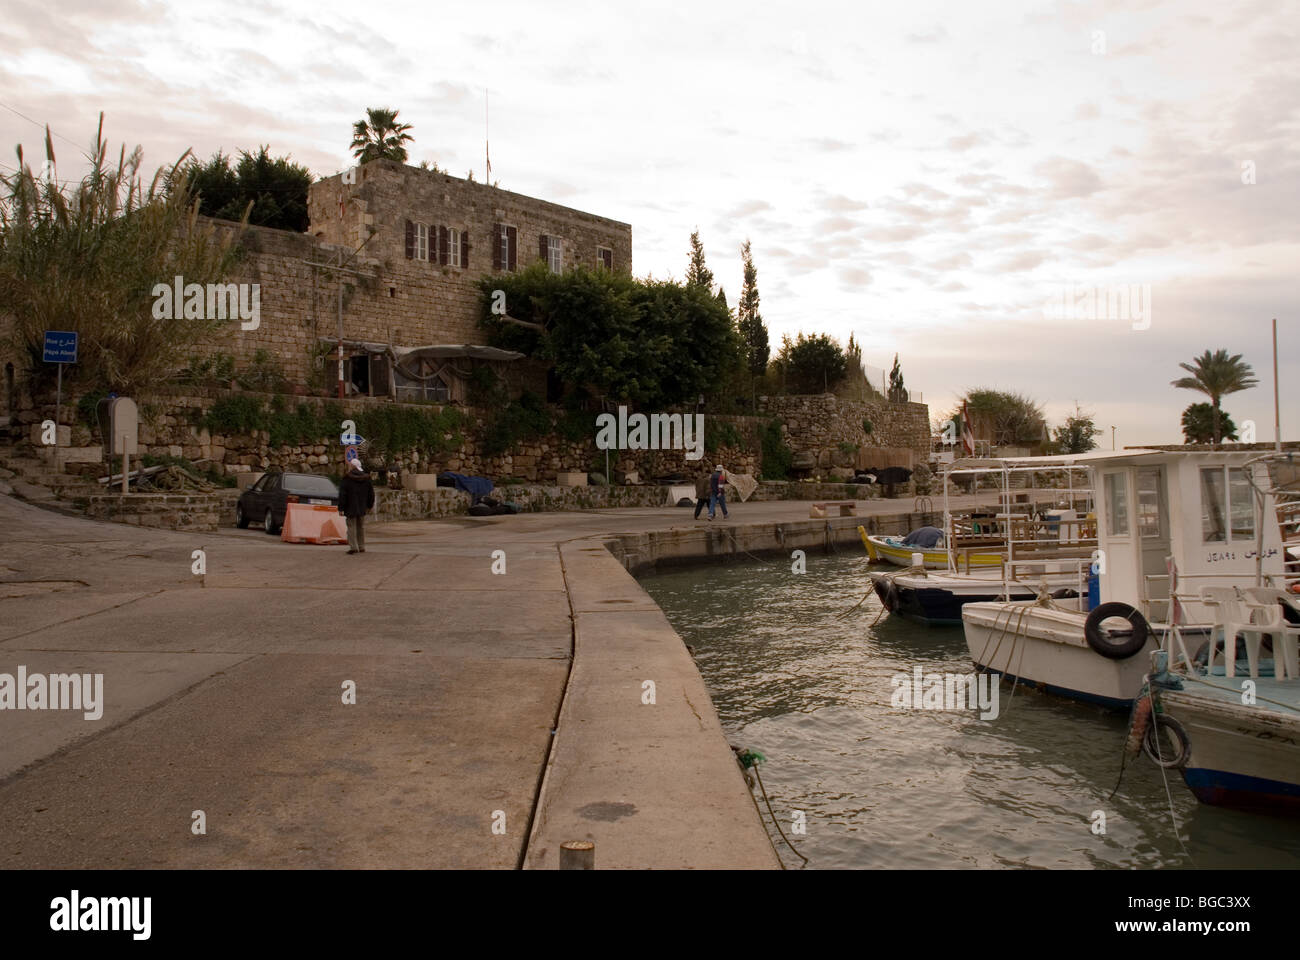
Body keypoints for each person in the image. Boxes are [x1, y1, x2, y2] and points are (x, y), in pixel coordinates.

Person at [338, 457, 375, 554]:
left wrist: (341, 508)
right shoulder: (367, 478)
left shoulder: (347, 478)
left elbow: (343, 494)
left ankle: (353, 547)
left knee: (351, 527)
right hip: (362, 506)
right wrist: (370, 505)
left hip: (350, 507)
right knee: (361, 527)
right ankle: (361, 546)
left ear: (352, 466)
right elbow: (371, 493)